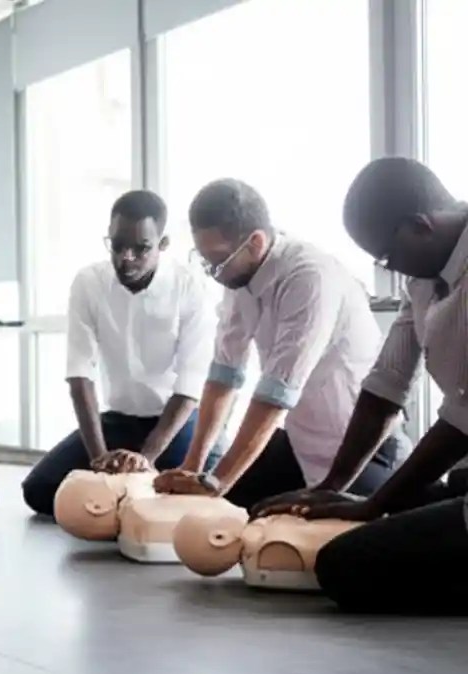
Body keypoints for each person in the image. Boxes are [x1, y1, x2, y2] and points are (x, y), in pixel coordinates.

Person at [251, 158, 468, 613]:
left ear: (420, 227)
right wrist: (331, 485)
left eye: (386, 256)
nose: (388, 269)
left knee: (345, 566)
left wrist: (373, 506)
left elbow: (462, 419)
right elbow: (386, 383)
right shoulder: (425, 281)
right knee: (384, 514)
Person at [151, 179, 407, 508]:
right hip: (302, 444)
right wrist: (193, 467)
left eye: (217, 261)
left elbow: (276, 392)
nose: (214, 273)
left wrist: (216, 482)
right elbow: (224, 375)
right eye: (205, 261)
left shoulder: (309, 277)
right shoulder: (236, 274)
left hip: (364, 451)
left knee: (333, 546)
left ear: (255, 243)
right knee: (220, 508)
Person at [21, 190, 218, 515]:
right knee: (39, 491)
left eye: (140, 249)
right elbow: (80, 374)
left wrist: (146, 458)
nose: (126, 257)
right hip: (118, 421)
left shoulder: (190, 287)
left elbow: (188, 388)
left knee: (196, 494)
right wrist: (99, 458)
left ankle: (133, 500)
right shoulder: (89, 282)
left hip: (173, 423)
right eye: (117, 245)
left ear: (163, 244)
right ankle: (127, 501)